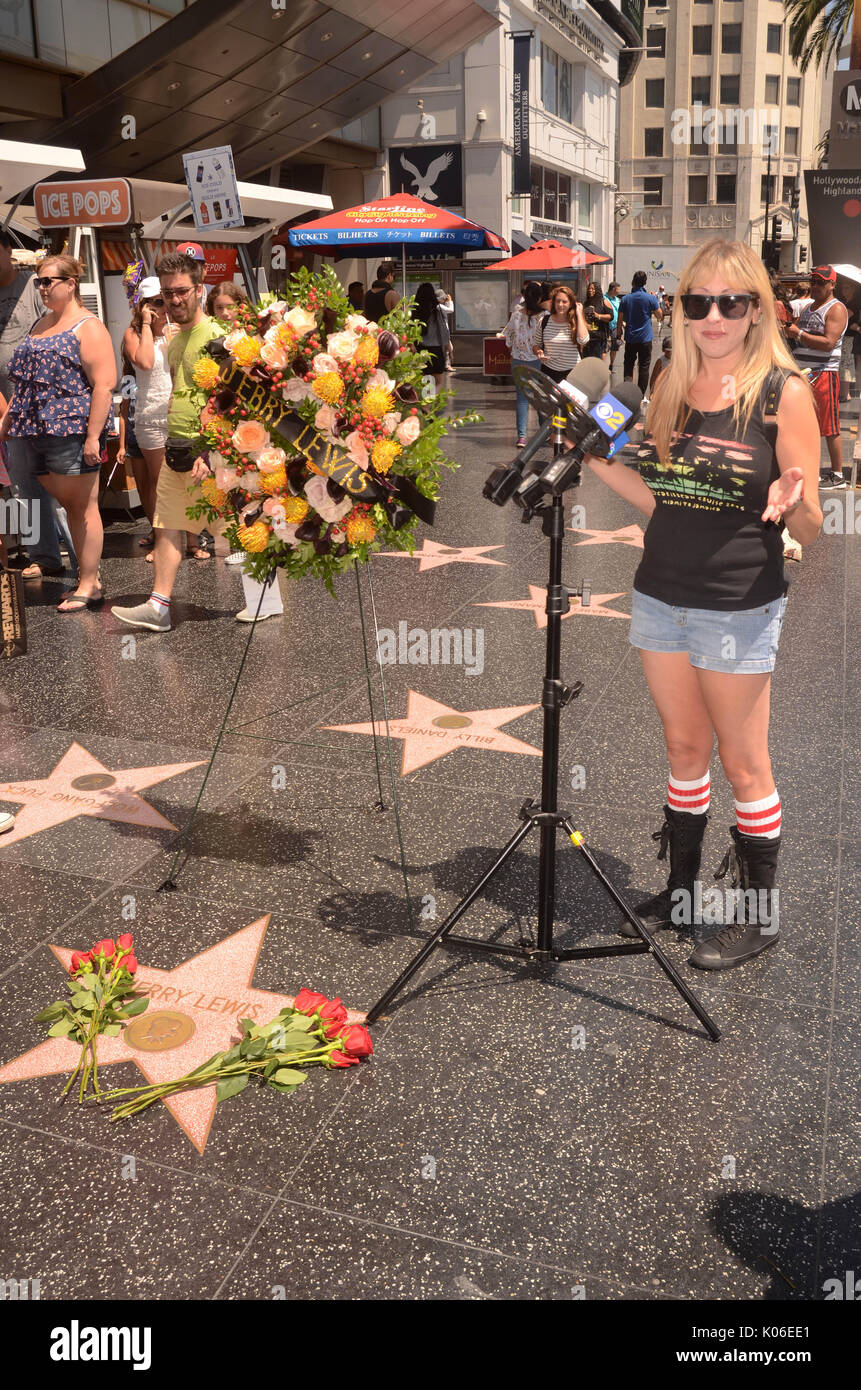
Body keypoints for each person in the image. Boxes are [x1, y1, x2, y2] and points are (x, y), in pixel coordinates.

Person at [582, 237, 822, 970]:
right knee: (684, 750)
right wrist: (593, 458)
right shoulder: (666, 382)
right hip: (661, 593)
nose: (713, 316)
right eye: (698, 302)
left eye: (731, 302)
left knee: (744, 762)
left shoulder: (783, 393)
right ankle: (679, 889)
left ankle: (757, 913)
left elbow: (808, 527)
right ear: (679, 307)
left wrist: (796, 502)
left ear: (756, 311)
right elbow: (660, 500)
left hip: (736, 601)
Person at [112, 251, 225, 633]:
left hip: (210, 452)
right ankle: (158, 605)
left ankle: (269, 599)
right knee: (166, 525)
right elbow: (183, 394)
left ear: (199, 288)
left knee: (238, 528)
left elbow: (227, 401)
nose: (174, 301)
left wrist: (210, 450)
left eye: (181, 292)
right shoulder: (176, 341)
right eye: (167, 293)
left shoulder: (216, 338)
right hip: (178, 447)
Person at [0, 254, 115, 612]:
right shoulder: (40, 323)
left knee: (82, 507)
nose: (43, 287)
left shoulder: (88, 326)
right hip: (34, 429)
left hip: (71, 428)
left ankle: (89, 582)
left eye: (49, 281)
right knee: (55, 504)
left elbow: (103, 386)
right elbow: (25, 383)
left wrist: (94, 436)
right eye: (39, 281)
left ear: (71, 283)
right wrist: (7, 423)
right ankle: (79, 574)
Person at [0, 231, 77, 578]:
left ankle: (82, 563)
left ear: (7, 252)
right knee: (21, 486)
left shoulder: (34, 286)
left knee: (59, 487)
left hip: (42, 407)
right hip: (7, 407)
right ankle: (41, 555)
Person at [784, 264, 849, 490]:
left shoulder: (836, 309)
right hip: (805, 374)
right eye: (813, 281)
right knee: (805, 423)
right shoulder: (810, 307)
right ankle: (807, 466)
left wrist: (798, 333)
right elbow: (798, 335)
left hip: (824, 373)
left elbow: (828, 343)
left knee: (829, 426)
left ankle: (838, 474)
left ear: (832, 284)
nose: (816, 285)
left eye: (821, 282)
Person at [500, 281, 544, 447]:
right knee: (541, 395)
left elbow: (508, 335)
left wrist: (513, 347)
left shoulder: (517, 314)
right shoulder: (544, 316)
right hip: (539, 360)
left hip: (519, 360)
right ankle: (543, 430)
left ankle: (522, 437)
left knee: (522, 398)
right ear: (540, 297)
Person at [618, 270, 662, 394]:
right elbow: (659, 315)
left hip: (631, 338)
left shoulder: (626, 299)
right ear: (645, 282)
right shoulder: (650, 298)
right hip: (645, 338)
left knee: (628, 365)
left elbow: (620, 320)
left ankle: (627, 392)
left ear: (633, 282)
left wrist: (618, 334)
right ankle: (641, 395)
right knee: (644, 366)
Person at [534, 283, 589, 381]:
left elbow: (583, 340)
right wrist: (539, 352)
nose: (560, 305)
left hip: (572, 373)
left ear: (571, 304)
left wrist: (579, 313)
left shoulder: (575, 321)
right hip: (548, 372)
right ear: (553, 302)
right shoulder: (544, 321)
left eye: (564, 302)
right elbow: (535, 344)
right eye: (558, 301)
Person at [412, 281, 452, 390]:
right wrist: (447, 345)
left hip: (420, 349)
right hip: (435, 349)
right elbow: (443, 329)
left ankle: (426, 402)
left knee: (425, 379)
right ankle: (428, 403)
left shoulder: (414, 310)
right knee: (438, 381)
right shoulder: (436, 310)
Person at [582, 281, 612, 360]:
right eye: (589, 288)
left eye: (593, 288)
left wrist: (598, 316)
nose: (590, 290)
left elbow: (610, 317)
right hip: (587, 338)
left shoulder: (603, 302)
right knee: (586, 361)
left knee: (596, 361)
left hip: (599, 338)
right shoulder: (586, 303)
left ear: (597, 290)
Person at [606, 280, 622, 372]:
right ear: (613, 289)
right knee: (605, 348)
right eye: (618, 289)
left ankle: (611, 365)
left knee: (615, 347)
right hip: (606, 327)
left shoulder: (617, 300)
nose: (619, 291)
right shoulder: (604, 298)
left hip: (615, 327)